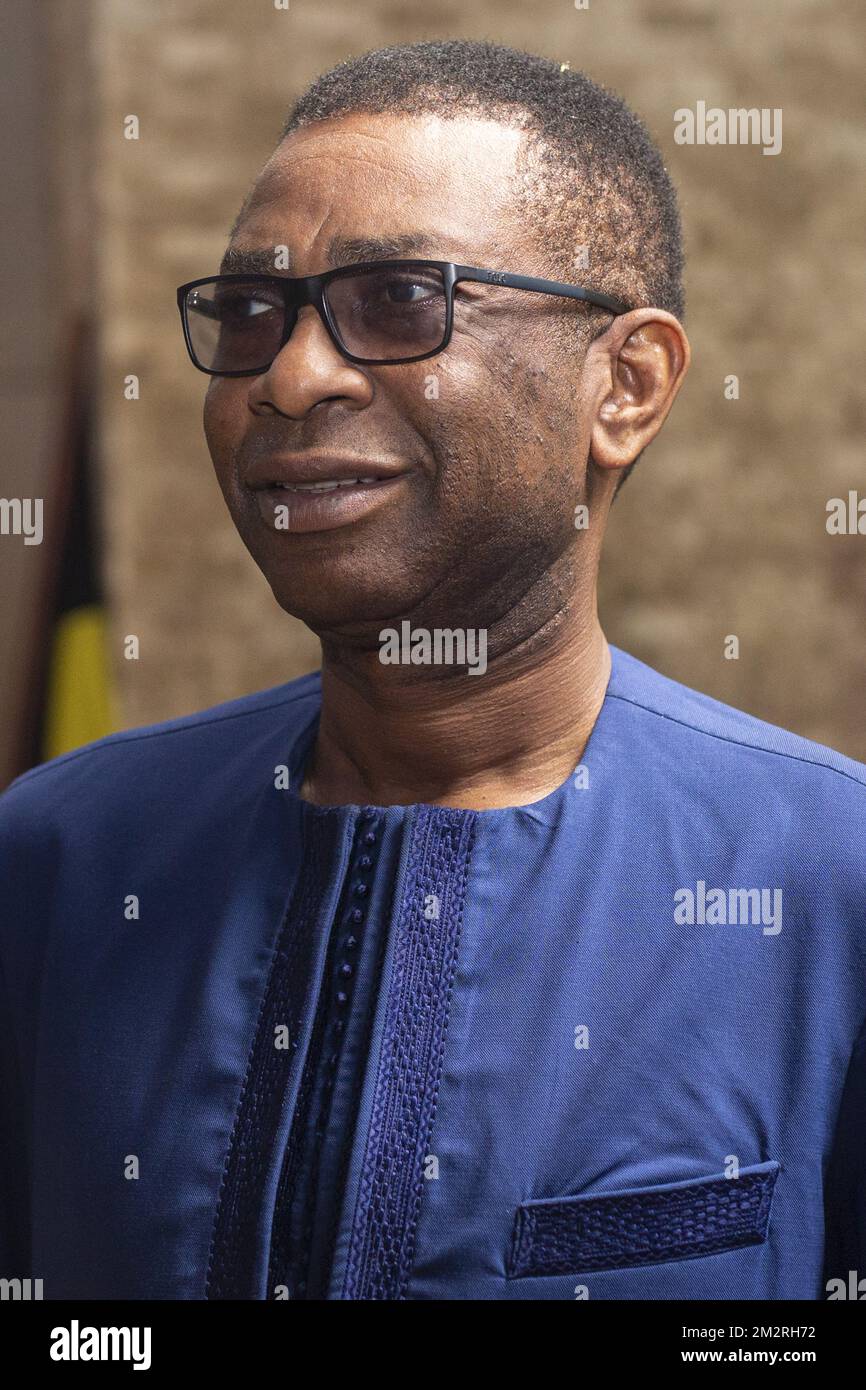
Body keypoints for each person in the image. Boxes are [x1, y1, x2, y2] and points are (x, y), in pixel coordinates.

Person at [1, 39, 863, 1302]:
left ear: (624, 386)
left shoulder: (824, 884)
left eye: (401, 299)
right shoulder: (61, 860)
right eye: (250, 313)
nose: (289, 377)